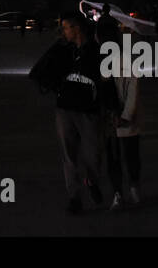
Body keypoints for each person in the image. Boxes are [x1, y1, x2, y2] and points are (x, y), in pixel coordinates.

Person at [30, 12, 107, 214]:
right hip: (65, 110)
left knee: (94, 155)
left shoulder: (96, 51)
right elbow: (39, 71)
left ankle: (91, 180)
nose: (63, 32)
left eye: (66, 27)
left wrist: (110, 107)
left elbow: (106, 82)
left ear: (77, 28)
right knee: (69, 156)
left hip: (89, 111)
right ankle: (74, 197)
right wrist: (57, 87)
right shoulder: (62, 49)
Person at [107, 18, 143, 209]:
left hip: (124, 121)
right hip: (111, 122)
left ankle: (132, 187)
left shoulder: (126, 63)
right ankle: (119, 191)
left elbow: (133, 91)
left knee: (130, 156)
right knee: (115, 158)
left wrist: (125, 116)